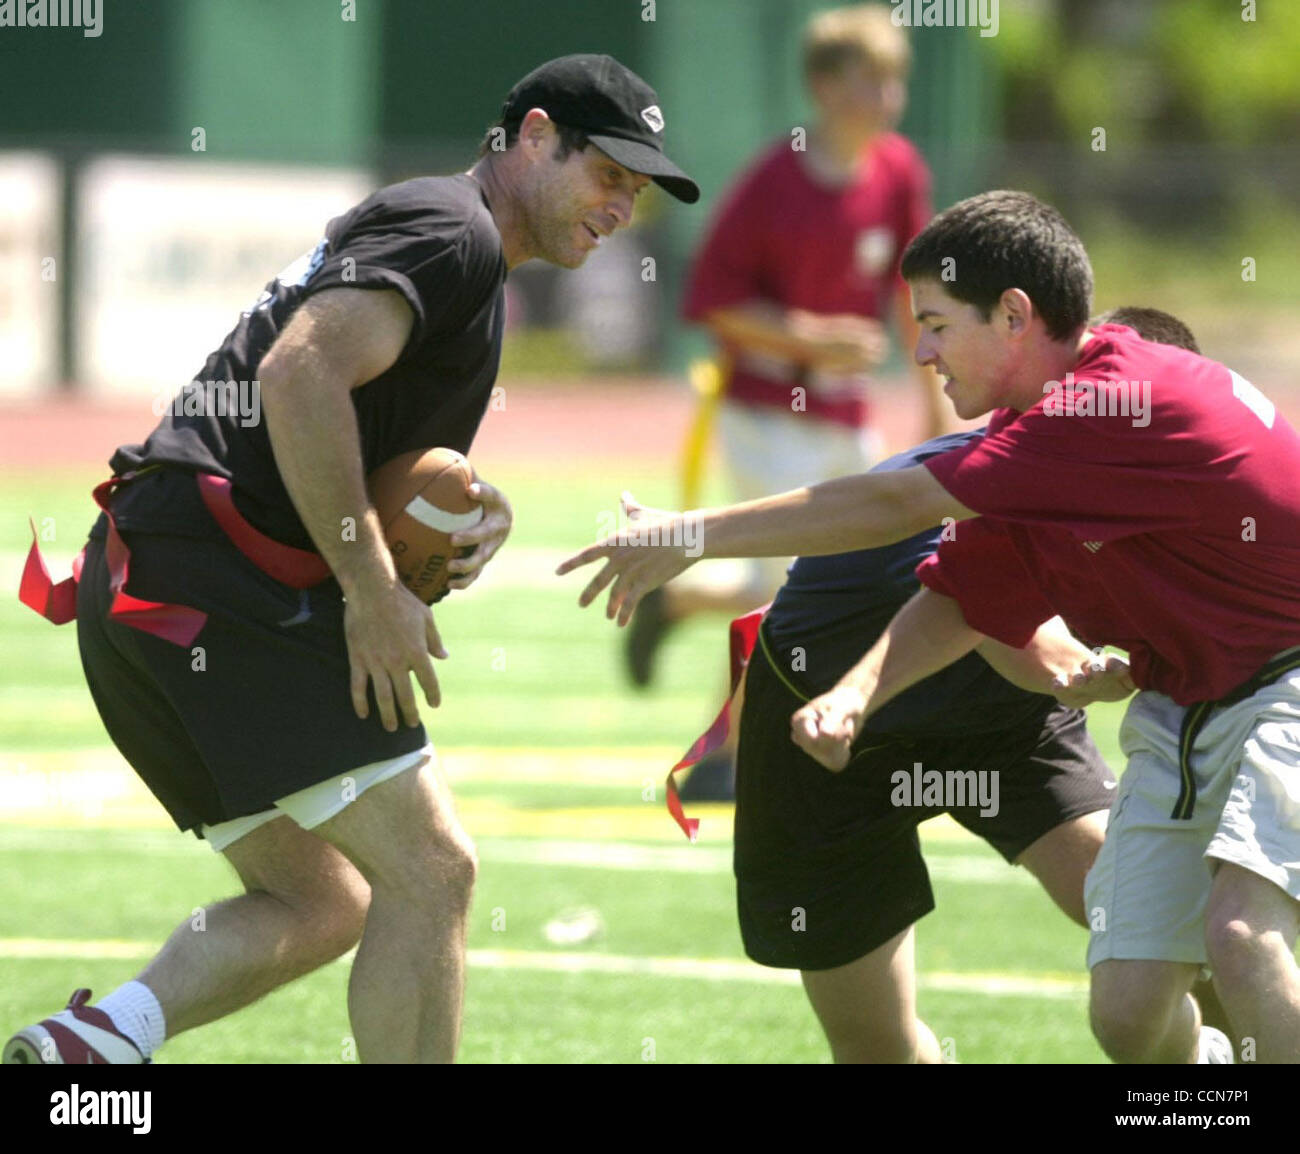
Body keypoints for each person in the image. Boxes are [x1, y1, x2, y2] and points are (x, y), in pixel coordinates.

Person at [6, 54, 698, 1066]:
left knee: (322, 898)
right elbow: (300, 373)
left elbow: (349, 429)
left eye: (635, 192)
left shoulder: (458, 246)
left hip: (147, 578)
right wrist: (374, 583)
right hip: (212, 581)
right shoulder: (455, 231)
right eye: (608, 174)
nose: (620, 207)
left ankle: (99, 1042)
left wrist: (458, 508)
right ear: (536, 136)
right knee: (435, 871)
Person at [559, 191, 1300, 1063]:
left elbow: (896, 500)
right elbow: (964, 598)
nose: (920, 351)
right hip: (1176, 711)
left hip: (1274, 685)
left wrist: (689, 533)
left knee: (1241, 942)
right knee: (1129, 1013)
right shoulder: (1040, 443)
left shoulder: (1111, 404)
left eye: (939, 325)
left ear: (1015, 316)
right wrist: (852, 698)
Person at [626, 3, 945, 697]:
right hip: (764, 410)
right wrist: (811, 338)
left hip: (847, 411)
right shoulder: (777, 177)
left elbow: (910, 293)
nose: (891, 98)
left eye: (897, 80)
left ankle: (675, 599)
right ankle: (731, 757)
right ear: (825, 87)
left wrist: (934, 404)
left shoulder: (898, 171)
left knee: (866, 564)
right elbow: (711, 301)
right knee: (792, 589)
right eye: (873, 80)